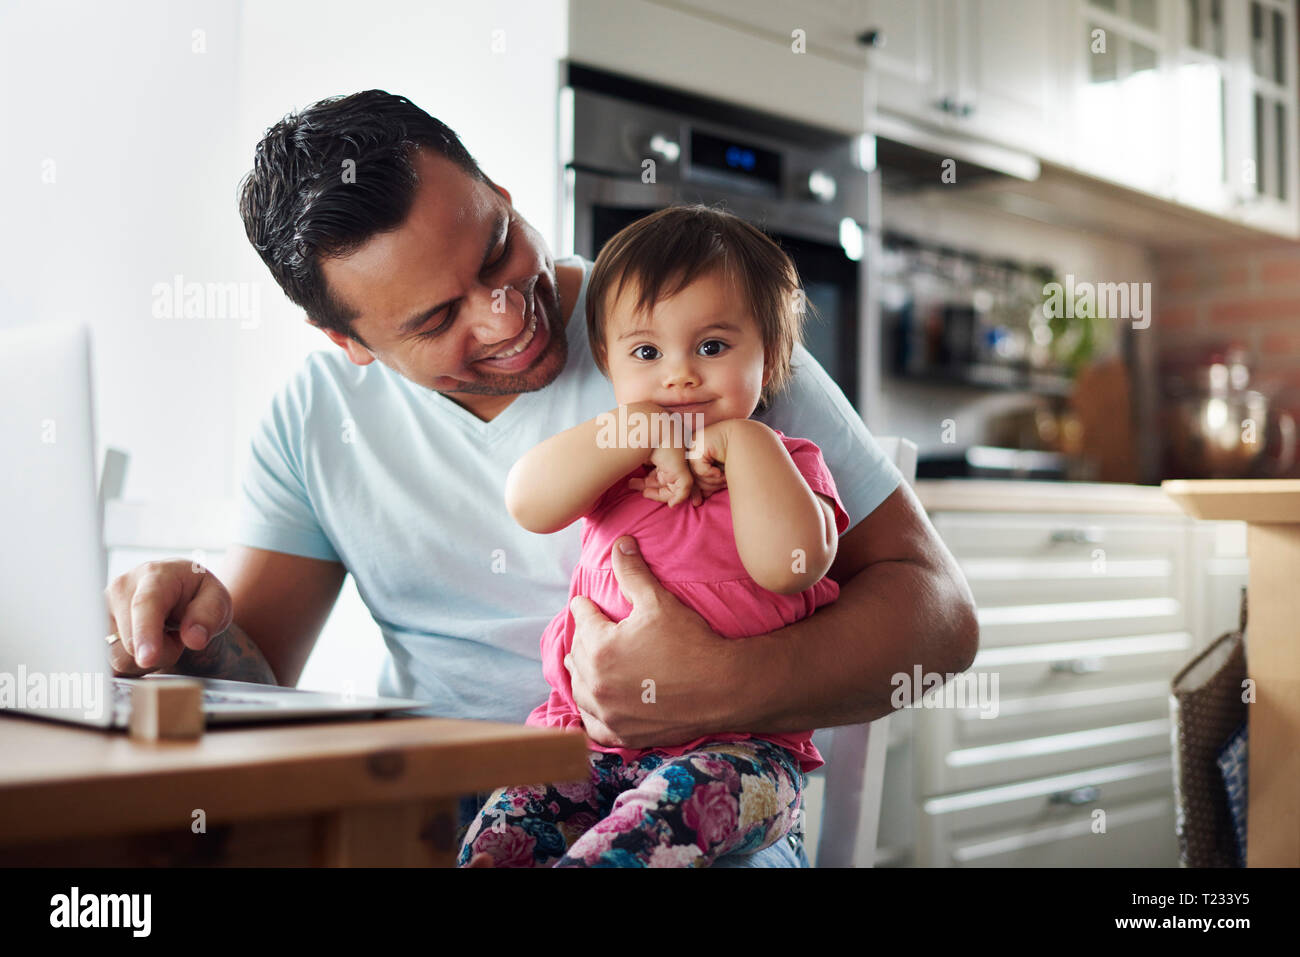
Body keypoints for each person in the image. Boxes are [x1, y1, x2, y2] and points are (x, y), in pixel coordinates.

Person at [102, 90, 979, 868]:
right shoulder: (313, 414)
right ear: (351, 344)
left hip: (713, 797)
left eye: (496, 248)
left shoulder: (686, 335)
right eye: (440, 317)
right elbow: (251, 684)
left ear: (506, 197)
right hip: (442, 807)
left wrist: (722, 684)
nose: (504, 314)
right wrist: (189, 634)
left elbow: (940, 616)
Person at [458, 205, 850, 867]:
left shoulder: (787, 461)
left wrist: (743, 442)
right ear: (610, 364)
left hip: (741, 757)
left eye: (713, 347)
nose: (679, 374)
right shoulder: (615, 457)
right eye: (647, 352)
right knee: (499, 838)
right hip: (584, 741)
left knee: (647, 827)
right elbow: (528, 499)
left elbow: (789, 565)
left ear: (772, 358)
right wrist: (638, 431)